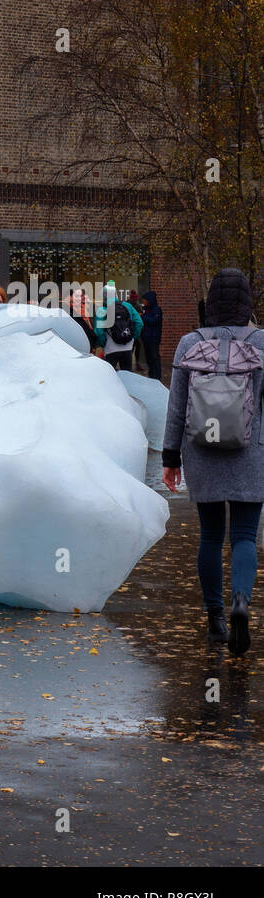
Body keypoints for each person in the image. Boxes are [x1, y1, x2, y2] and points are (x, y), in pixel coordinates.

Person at [163, 268, 264, 655]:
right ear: (246, 302)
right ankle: (242, 600)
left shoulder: (189, 343)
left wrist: (171, 456)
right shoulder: (261, 342)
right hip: (250, 452)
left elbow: (176, 407)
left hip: (202, 450)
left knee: (209, 536)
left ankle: (216, 619)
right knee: (243, 536)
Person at [97, 281, 143, 371]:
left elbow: (99, 331)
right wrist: (132, 338)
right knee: (127, 375)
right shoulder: (128, 306)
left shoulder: (102, 310)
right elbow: (139, 323)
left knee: (110, 376)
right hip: (127, 347)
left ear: (104, 296)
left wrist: (103, 344)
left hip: (110, 349)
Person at [141, 289, 164, 380]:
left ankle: (157, 376)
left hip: (154, 338)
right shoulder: (146, 310)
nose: (143, 302)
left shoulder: (157, 310)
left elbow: (153, 321)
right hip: (146, 338)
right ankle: (151, 375)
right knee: (149, 358)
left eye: (145, 300)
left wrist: (142, 317)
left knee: (154, 357)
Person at [67, 286, 97, 352]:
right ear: (70, 297)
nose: (79, 299)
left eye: (80, 296)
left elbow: (89, 326)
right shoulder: (66, 310)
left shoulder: (84, 308)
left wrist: (93, 342)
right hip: (73, 343)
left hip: (87, 342)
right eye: (76, 296)